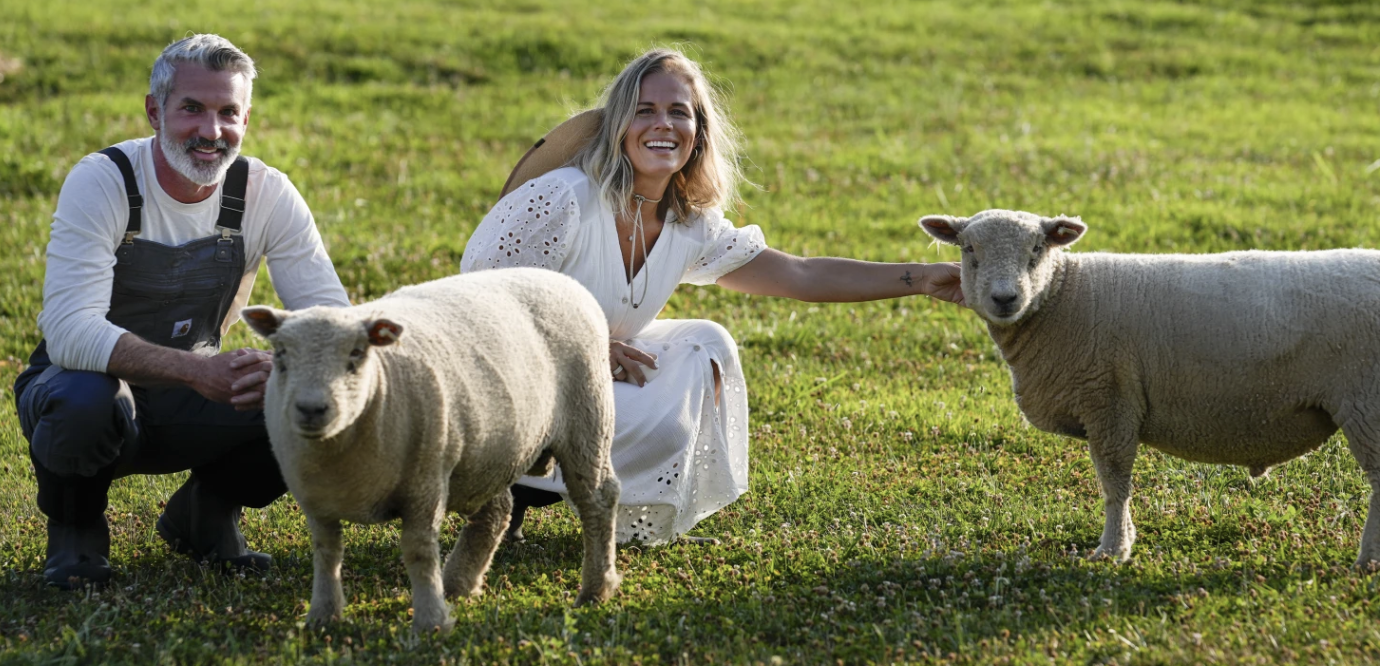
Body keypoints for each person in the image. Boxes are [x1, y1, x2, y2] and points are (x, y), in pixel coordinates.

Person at [462, 48, 961, 546]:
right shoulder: (564, 196)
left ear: (698, 132)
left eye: (679, 112)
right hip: (503, 391)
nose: (664, 124)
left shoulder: (687, 223)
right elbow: (481, 301)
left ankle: (630, 519)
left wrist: (919, 278)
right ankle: (503, 497)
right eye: (644, 110)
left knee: (705, 344)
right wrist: (585, 349)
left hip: (582, 390)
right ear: (617, 125)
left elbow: (799, 275)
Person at [13, 34, 350, 589]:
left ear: (247, 118)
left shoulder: (267, 192)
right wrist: (197, 370)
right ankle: (76, 537)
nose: (210, 132)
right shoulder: (105, 179)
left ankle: (205, 516)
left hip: (193, 397)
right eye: (191, 108)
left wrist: (284, 370)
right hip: (84, 386)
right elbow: (70, 331)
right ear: (154, 110)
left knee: (305, 399)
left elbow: (330, 319)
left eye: (228, 113)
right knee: (83, 399)